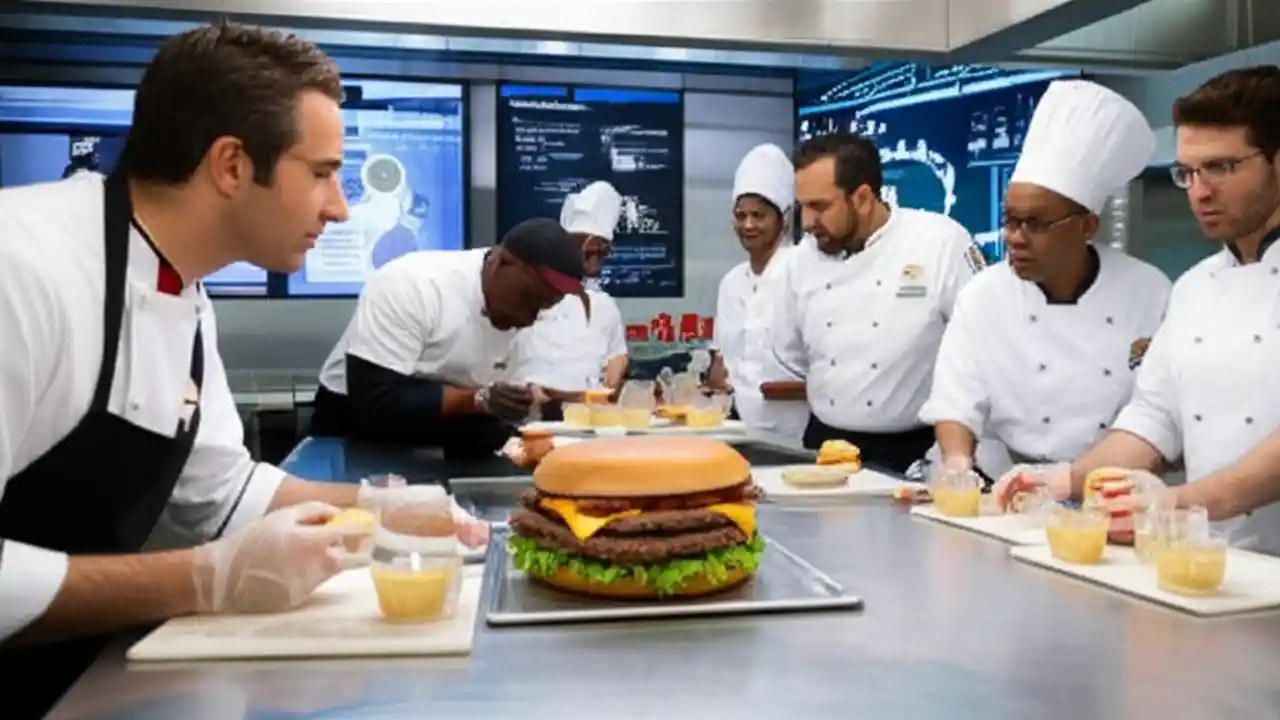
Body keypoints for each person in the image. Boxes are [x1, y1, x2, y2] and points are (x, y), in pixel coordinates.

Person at [0, 23, 482, 719]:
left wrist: (383, 510)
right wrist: (205, 579)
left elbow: (220, 488)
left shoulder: (186, 295)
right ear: (231, 166)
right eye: (320, 172)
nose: (341, 206)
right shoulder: (23, 266)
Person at [999, 66, 1280, 554]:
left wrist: (1175, 502)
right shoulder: (1195, 288)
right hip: (1219, 562)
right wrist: (1064, 481)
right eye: (1188, 173)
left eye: (1221, 167)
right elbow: (1155, 416)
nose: (1199, 191)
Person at [919, 80, 1172, 481]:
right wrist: (957, 465)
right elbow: (955, 402)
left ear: (1087, 226)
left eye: (1035, 224)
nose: (1014, 237)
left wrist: (1071, 481)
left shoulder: (1150, 292)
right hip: (1002, 481)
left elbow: (1157, 413)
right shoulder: (984, 296)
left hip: (1107, 483)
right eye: (1010, 220)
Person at [771, 133, 985, 473]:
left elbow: (979, 346)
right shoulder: (798, 264)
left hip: (913, 450)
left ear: (864, 198)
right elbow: (790, 353)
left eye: (820, 207)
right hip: (823, 447)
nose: (808, 222)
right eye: (802, 207)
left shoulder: (939, 242)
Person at [309, 217, 584, 455]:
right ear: (501, 262)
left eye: (544, 307)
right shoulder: (412, 284)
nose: (529, 319)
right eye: (527, 300)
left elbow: (500, 402)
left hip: (446, 427)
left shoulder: (526, 315)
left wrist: (525, 404)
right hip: (354, 422)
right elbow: (375, 400)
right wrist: (479, 399)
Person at [708, 143, 809, 443]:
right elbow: (719, 359)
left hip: (798, 432)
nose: (748, 225)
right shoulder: (731, 282)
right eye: (741, 216)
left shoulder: (803, 269)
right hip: (737, 429)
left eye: (759, 215)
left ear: (784, 217)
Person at [505, 181, 629, 396]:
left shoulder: (604, 305)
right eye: (585, 247)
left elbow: (616, 354)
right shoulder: (528, 291)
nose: (591, 258)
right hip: (525, 414)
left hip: (587, 415)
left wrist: (617, 368)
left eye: (600, 251)